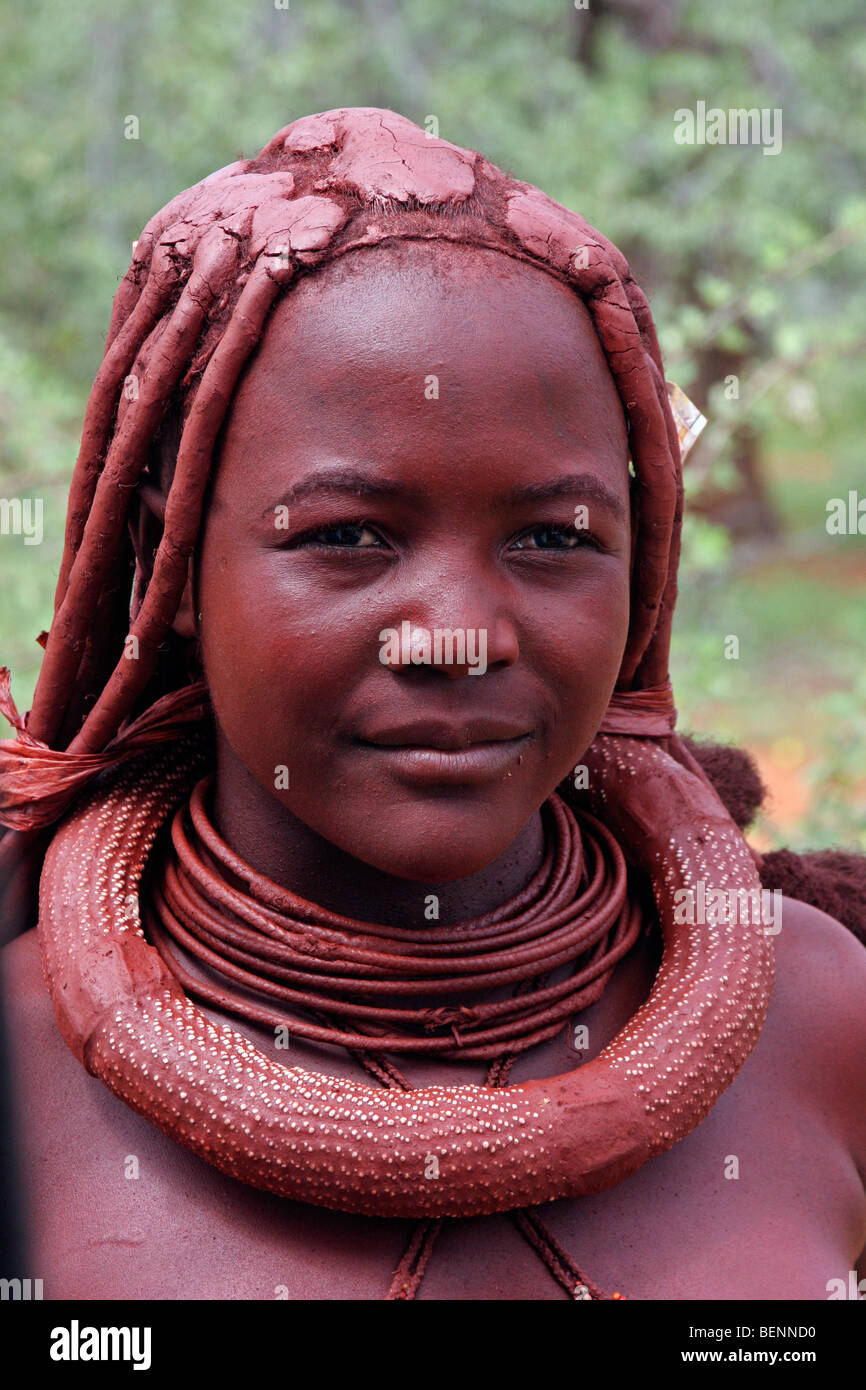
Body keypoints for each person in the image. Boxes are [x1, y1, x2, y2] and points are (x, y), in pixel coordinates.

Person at [1, 108, 864, 1301]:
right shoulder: (21, 1055)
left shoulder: (820, 1006)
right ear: (173, 565)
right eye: (349, 535)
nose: (460, 633)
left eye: (553, 537)